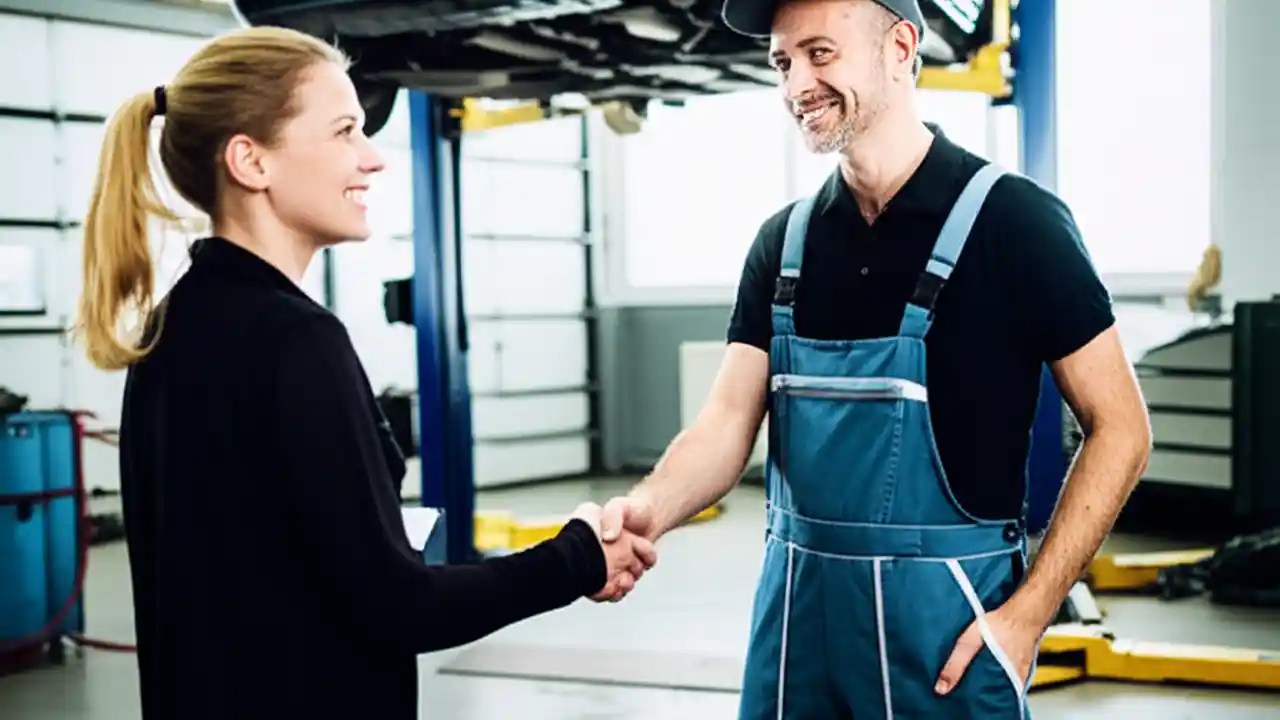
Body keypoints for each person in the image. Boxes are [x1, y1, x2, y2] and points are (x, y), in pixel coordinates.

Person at [75, 26, 655, 720]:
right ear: (251, 161)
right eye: (346, 130)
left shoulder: (173, 328)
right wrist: (577, 558)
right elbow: (401, 607)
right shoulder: (296, 341)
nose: (372, 159)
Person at [595, 0, 1152, 717]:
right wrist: (644, 511)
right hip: (796, 625)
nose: (797, 85)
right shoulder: (783, 244)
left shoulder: (1016, 223)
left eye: (820, 53)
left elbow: (1122, 428)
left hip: (947, 635)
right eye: (782, 62)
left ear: (899, 47)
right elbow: (726, 424)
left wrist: (1028, 614)